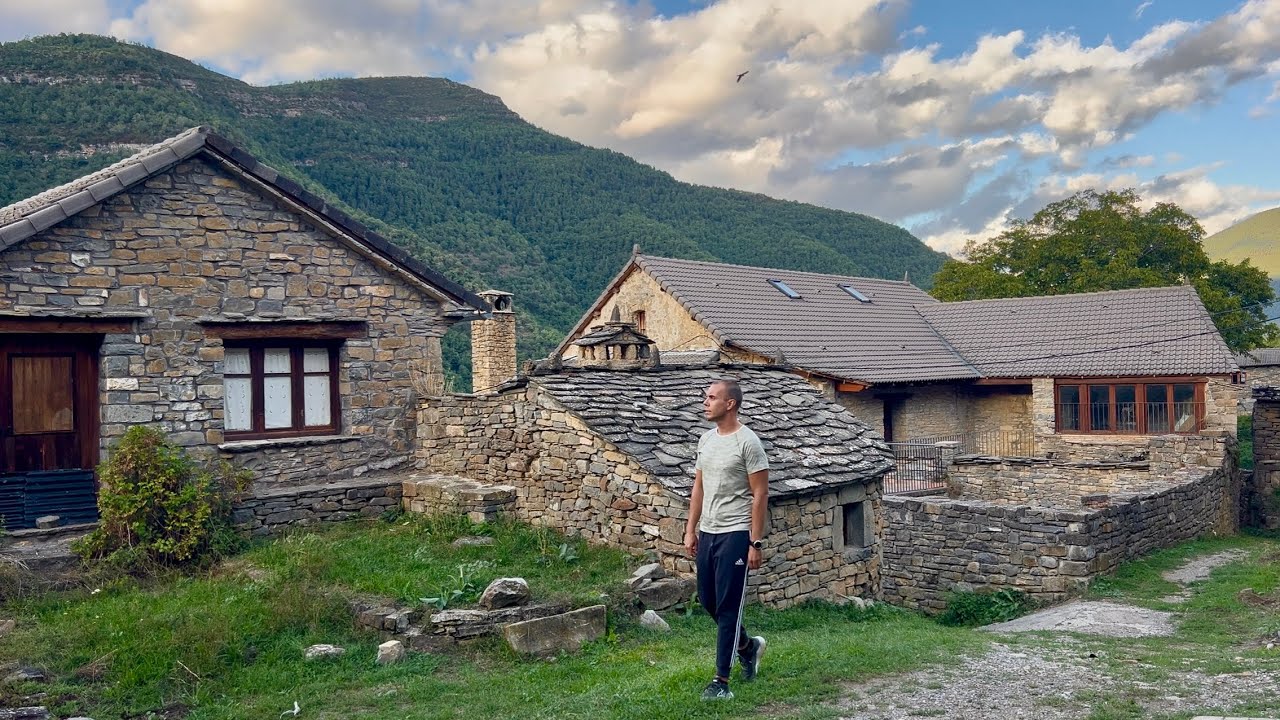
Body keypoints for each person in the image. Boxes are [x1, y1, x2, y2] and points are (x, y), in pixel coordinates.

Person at [683, 378, 770, 701]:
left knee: (729, 607)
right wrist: (691, 528)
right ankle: (749, 647)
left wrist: (755, 542)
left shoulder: (748, 443)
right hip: (709, 531)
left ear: (730, 404)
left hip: (736, 533)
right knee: (708, 600)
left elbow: (760, 493)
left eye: (711, 397)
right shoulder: (706, 440)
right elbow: (699, 488)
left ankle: (721, 681)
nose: (705, 402)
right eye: (706, 397)